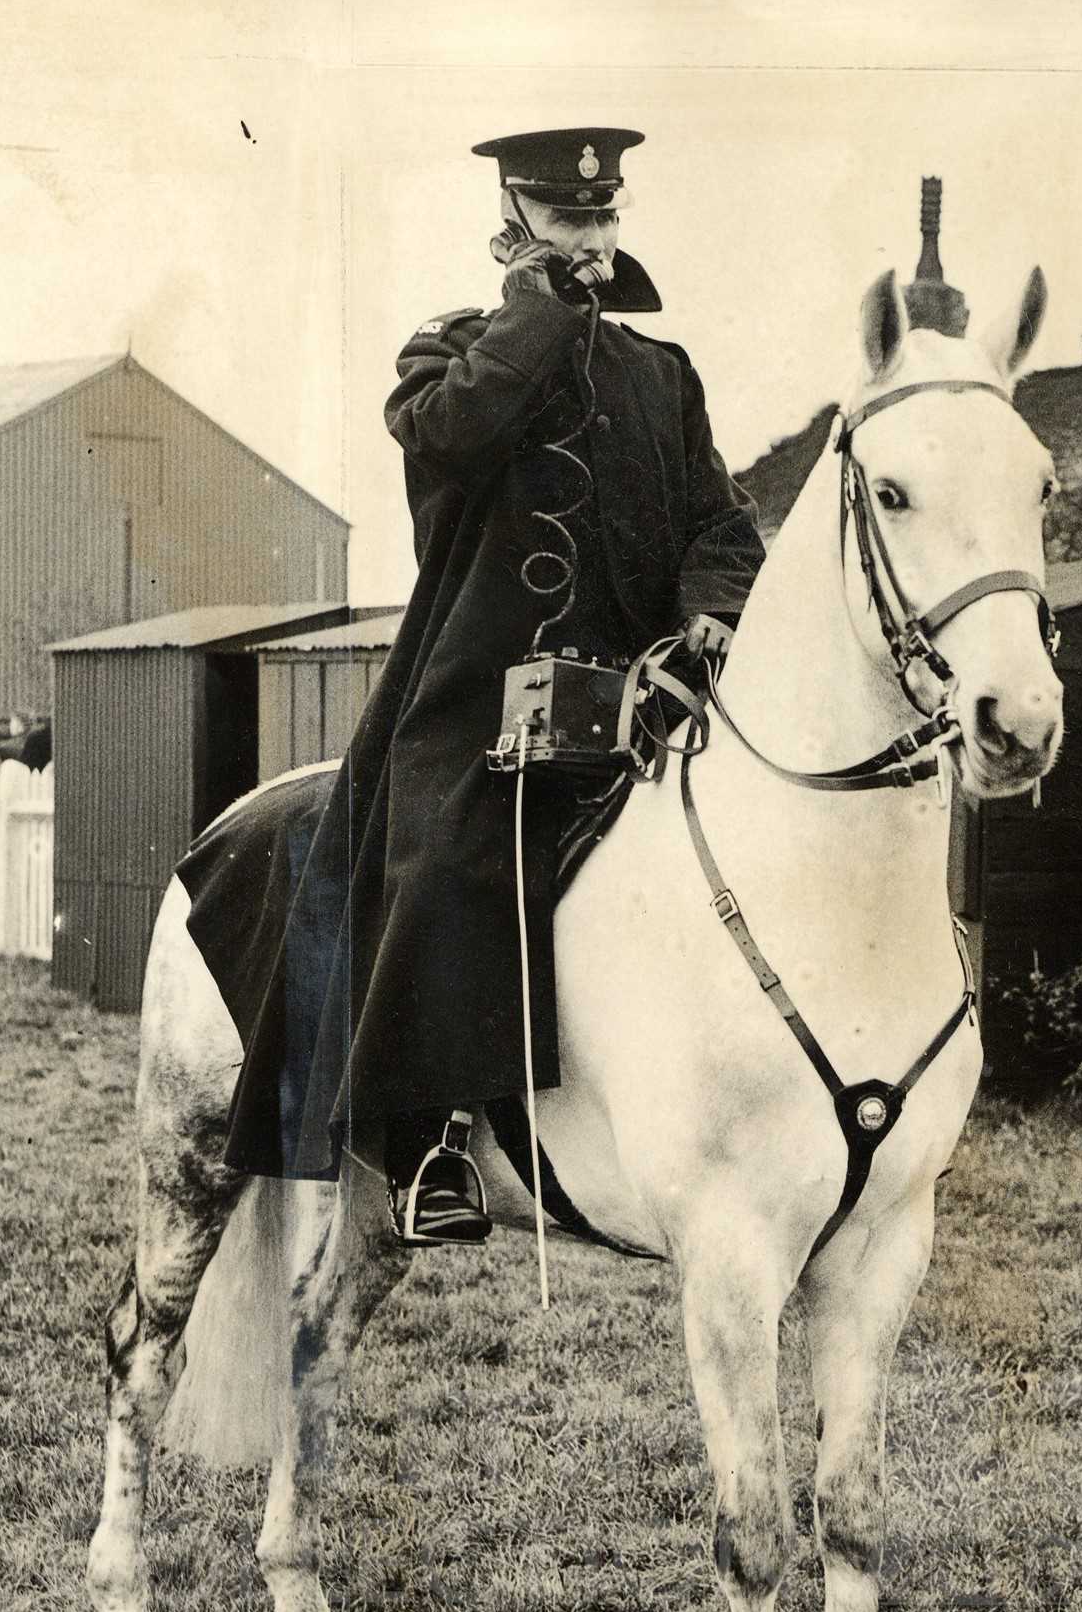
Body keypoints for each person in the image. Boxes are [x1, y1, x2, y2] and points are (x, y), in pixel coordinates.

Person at [182, 125, 764, 1245]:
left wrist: (710, 608)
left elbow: (719, 520)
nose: (592, 239)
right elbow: (454, 436)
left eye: (602, 217)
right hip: (478, 695)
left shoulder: (662, 374)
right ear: (515, 224)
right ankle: (432, 1143)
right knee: (449, 856)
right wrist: (535, 307)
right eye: (566, 219)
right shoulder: (446, 356)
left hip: (646, 701)